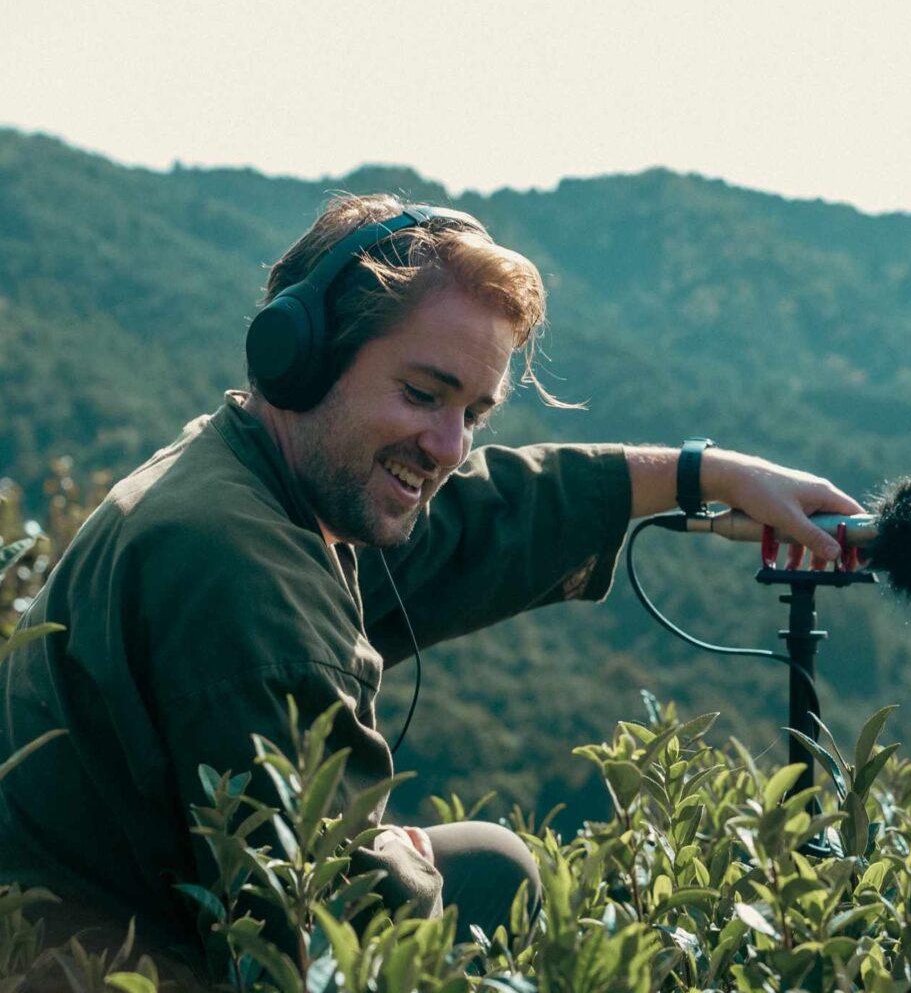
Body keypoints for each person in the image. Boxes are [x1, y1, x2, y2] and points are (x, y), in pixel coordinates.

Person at [0, 194, 863, 976]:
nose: (450, 447)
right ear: (302, 359)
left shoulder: (247, 470)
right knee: (494, 875)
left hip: (112, 913)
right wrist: (393, 863)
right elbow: (320, 930)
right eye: (423, 394)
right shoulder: (247, 578)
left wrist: (706, 473)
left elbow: (478, 523)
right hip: (98, 963)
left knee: (487, 864)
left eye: (473, 414)